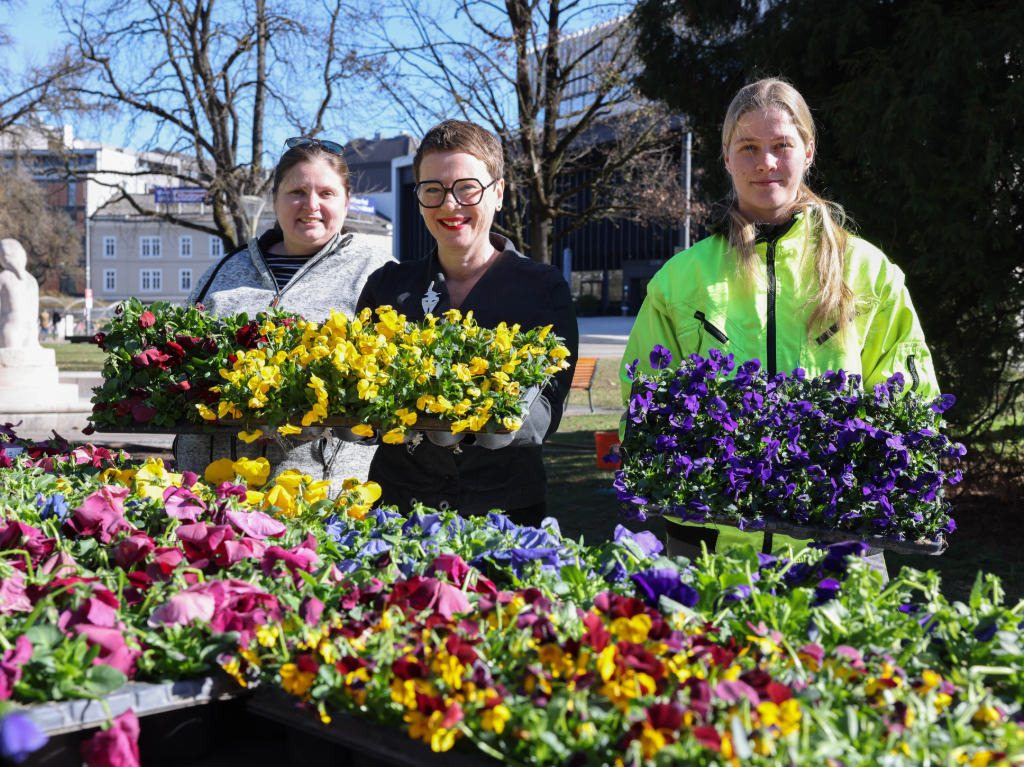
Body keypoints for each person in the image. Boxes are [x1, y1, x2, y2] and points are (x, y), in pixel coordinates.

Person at [620, 78, 940, 578]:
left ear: (808, 151)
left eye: (781, 146)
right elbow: (642, 403)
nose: (765, 162)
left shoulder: (869, 272)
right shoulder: (680, 280)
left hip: (838, 548)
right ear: (726, 158)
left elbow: (911, 401)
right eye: (748, 148)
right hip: (707, 548)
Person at [356, 119, 578, 527]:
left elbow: (545, 407)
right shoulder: (387, 287)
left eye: (466, 188)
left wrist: (469, 418)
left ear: (498, 193)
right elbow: (357, 391)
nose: (449, 204)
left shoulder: (541, 288)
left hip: (503, 510)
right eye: (432, 190)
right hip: (397, 507)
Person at [175, 137, 395, 491]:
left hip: (319, 494)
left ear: (346, 201)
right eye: (296, 192)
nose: (311, 205)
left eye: (326, 193)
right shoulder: (224, 272)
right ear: (274, 199)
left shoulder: (378, 272)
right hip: (213, 487)